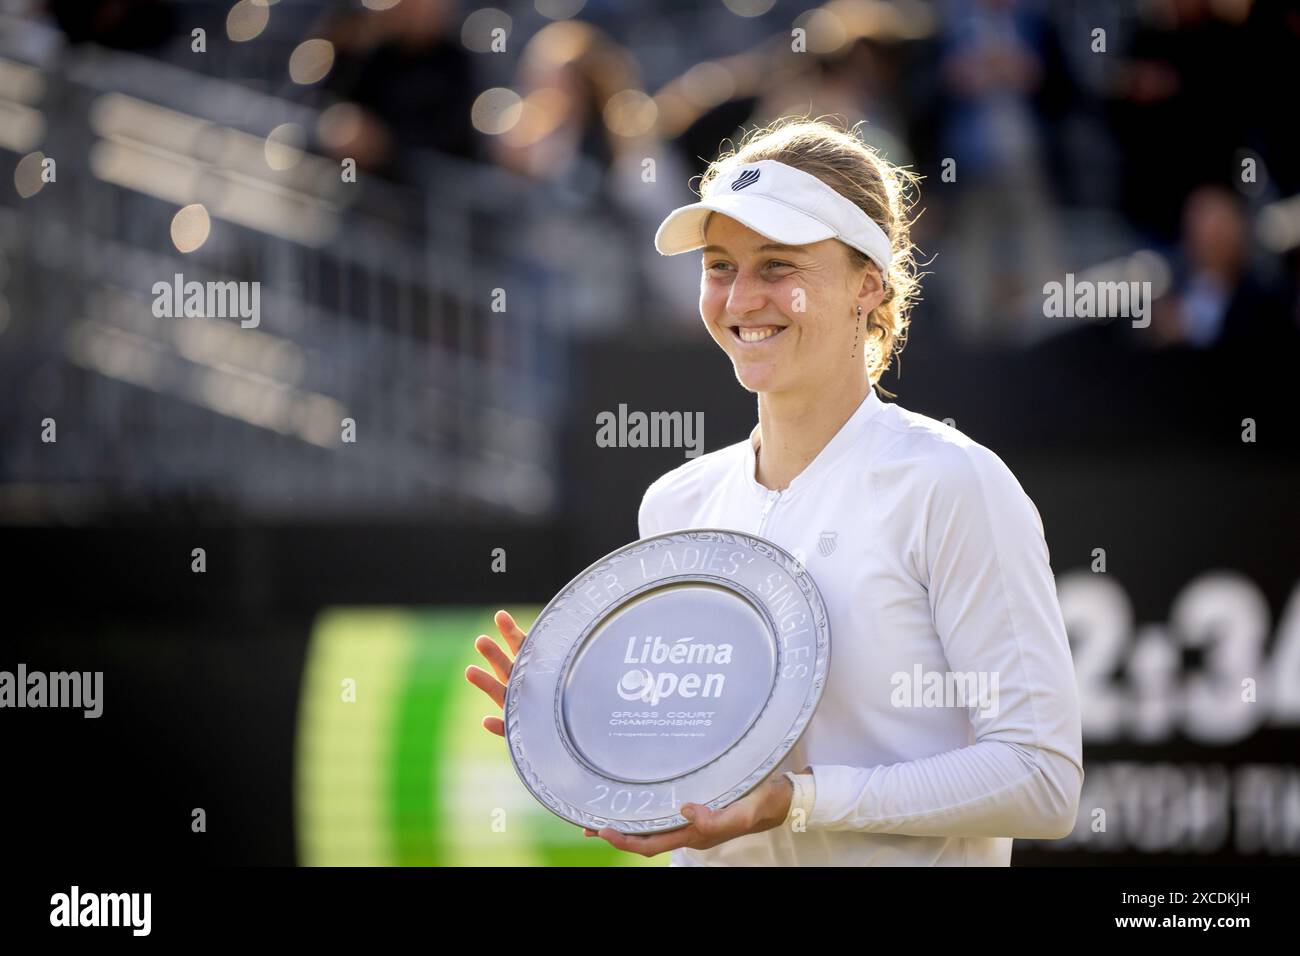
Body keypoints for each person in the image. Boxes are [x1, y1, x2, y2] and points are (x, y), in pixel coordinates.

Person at [467, 116, 1083, 866]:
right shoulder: (677, 503)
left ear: (869, 285)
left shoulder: (955, 484)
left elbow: (1042, 779)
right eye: (720, 265)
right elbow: (687, 784)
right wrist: (582, 726)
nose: (740, 298)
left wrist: (801, 801)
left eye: (779, 266)